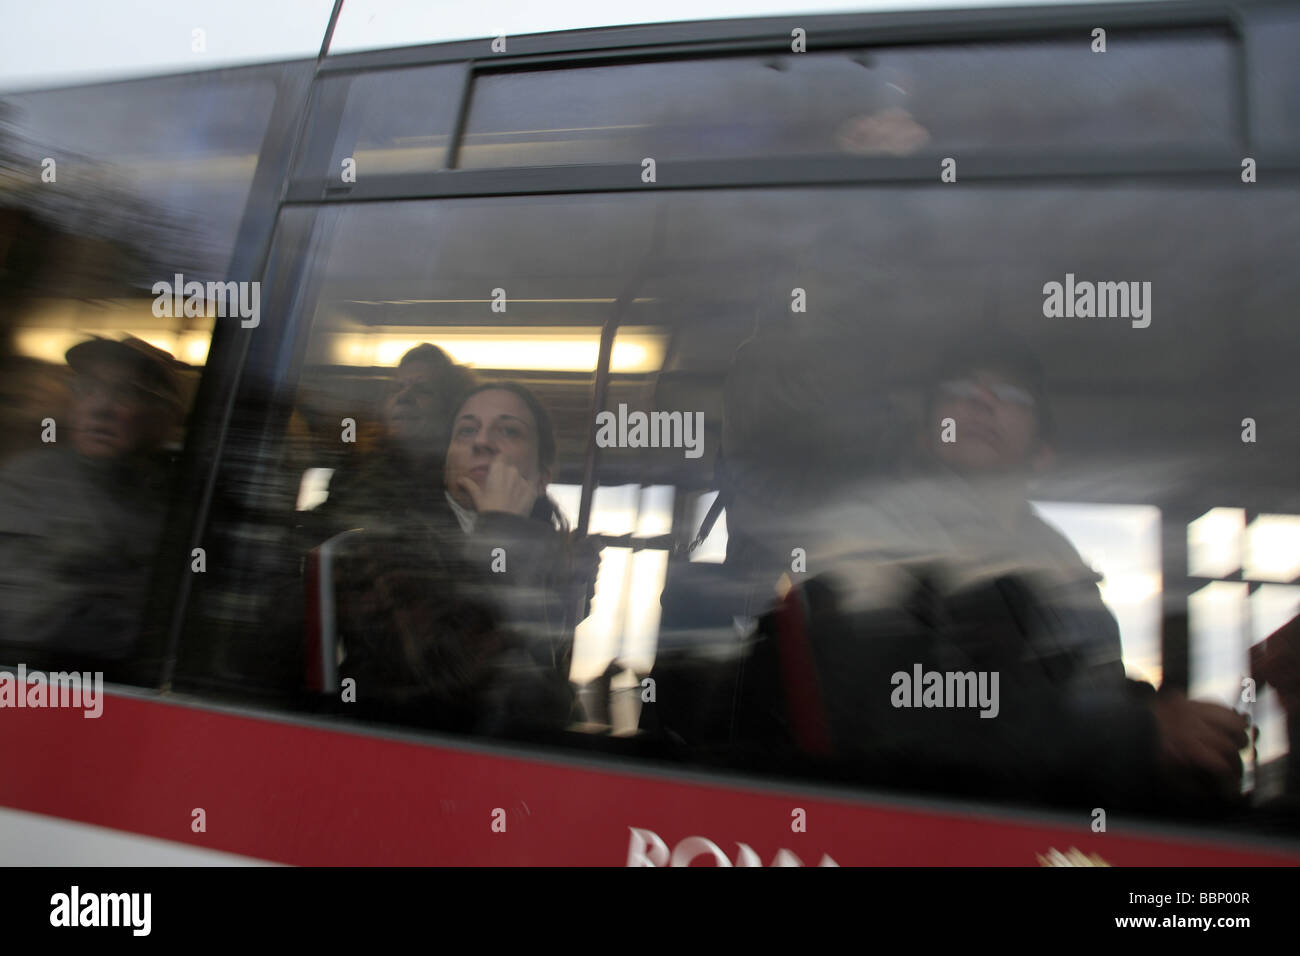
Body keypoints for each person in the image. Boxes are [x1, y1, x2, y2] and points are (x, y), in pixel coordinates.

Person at [331, 382, 597, 736]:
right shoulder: (390, 545)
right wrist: (503, 530)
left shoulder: (559, 559)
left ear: (542, 476)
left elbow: (540, 689)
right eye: (467, 430)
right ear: (447, 462)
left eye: (509, 431)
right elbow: (457, 685)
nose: (482, 442)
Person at [0, 336, 183, 665]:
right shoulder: (30, 482)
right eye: (87, 389)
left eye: (126, 393)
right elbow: (22, 617)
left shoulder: (180, 503)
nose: (101, 407)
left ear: (164, 418)